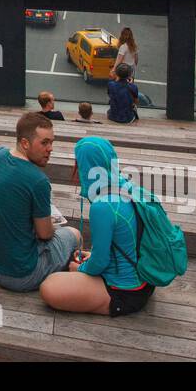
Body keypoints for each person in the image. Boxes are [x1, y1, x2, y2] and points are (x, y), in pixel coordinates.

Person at [38, 136, 155, 318]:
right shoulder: (129, 188)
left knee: (49, 286)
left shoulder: (103, 205)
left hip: (125, 292)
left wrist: (81, 269)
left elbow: (100, 263)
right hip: (145, 281)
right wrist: (93, 257)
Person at [0, 112, 81, 292]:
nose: (50, 148)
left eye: (52, 142)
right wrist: (51, 224)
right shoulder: (38, 181)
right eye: (44, 142)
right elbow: (44, 234)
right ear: (25, 143)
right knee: (74, 234)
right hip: (19, 276)